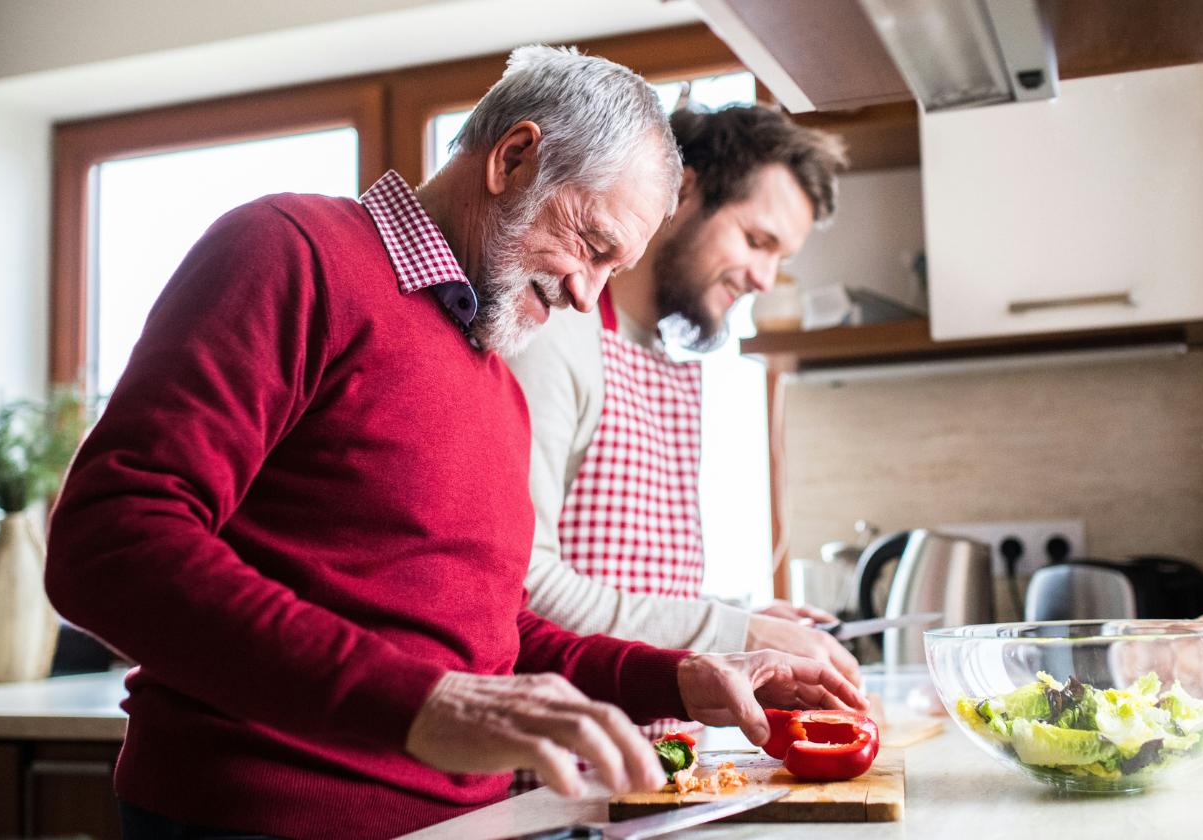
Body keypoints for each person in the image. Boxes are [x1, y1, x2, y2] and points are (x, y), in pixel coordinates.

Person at [45, 47, 864, 840]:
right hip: (258, 819)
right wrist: (422, 706)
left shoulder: (497, 375)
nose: (586, 294)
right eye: (591, 244)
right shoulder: (292, 249)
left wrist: (679, 678)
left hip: (467, 823)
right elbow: (110, 543)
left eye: (614, 269)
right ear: (512, 157)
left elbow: (498, 635)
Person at [508, 106, 857, 717]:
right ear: (683, 192)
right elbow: (526, 588)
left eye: (781, 257)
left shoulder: (650, 351)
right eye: (756, 240)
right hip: (562, 759)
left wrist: (740, 617)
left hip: (647, 754)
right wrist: (734, 634)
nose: (765, 278)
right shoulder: (556, 333)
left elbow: (629, 582)